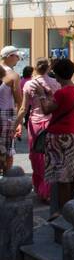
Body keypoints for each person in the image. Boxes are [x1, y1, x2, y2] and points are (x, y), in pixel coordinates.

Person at [38, 57, 74, 218]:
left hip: (58, 137)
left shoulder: (62, 93)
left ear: (58, 75)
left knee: (61, 176)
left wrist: (41, 96)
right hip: (73, 135)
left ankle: (64, 211)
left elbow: (46, 110)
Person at [17, 59, 58, 201]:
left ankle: (40, 186)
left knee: (36, 155)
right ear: (48, 69)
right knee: (50, 156)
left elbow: (23, 108)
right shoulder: (55, 83)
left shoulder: (29, 84)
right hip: (51, 122)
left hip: (35, 123)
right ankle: (48, 189)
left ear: (35, 68)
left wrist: (15, 124)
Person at [0, 46, 24, 176]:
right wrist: (19, 122)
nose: (18, 59)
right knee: (8, 150)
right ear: (9, 56)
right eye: (16, 56)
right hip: (6, 115)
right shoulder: (13, 75)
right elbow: (19, 101)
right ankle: (6, 179)